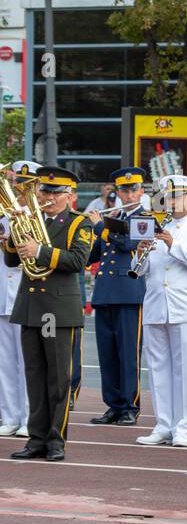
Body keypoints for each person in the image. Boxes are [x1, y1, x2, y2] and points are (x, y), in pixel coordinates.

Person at [3, 166, 92, 462]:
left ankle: (57, 439)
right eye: (44, 191)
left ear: (69, 196)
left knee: (57, 377)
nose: (48, 197)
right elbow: (13, 259)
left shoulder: (79, 223)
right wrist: (12, 239)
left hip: (56, 310)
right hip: (30, 307)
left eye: (55, 193)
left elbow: (78, 260)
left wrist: (39, 250)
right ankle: (36, 438)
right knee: (34, 375)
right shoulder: (30, 219)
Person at [136, 174, 187, 449]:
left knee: (185, 371)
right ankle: (162, 424)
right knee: (158, 369)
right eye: (169, 196)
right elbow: (143, 269)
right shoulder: (158, 226)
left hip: (185, 307)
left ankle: (183, 428)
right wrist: (140, 252)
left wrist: (172, 245)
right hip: (156, 304)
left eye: (178, 196)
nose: (173, 201)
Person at [83, 166, 150, 426]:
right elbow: (95, 254)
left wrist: (100, 226)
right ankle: (113, 404)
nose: (128, 194)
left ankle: (130, 406)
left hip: (129, 292)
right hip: (105, 291)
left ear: (141, 191)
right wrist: (83, 234)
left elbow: (129, 244)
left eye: (133, 189)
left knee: (128, 354)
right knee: (107, 353)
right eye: (124, 190)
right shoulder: (115, 216)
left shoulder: (145, 217)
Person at [0, 206, 28, 437]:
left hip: (24, 296)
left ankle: (29, 418)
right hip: (1, 296)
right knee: (5, 364)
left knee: (29, 362)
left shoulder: (32, 218)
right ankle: (10, 417)